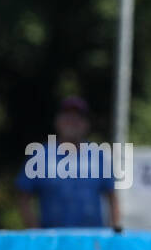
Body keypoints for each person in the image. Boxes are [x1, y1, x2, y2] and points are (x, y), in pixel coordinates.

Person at [17, 96, 120, 229]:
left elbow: (112, 197)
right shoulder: (40, 155)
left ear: (86, 124)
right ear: (57, 121)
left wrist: (113, 235)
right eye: (67, 117)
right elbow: (23, 197)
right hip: (52, 242)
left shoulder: (98, 156)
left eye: (78, 118)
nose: (72, 122)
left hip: (92, 242)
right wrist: (37, 234)